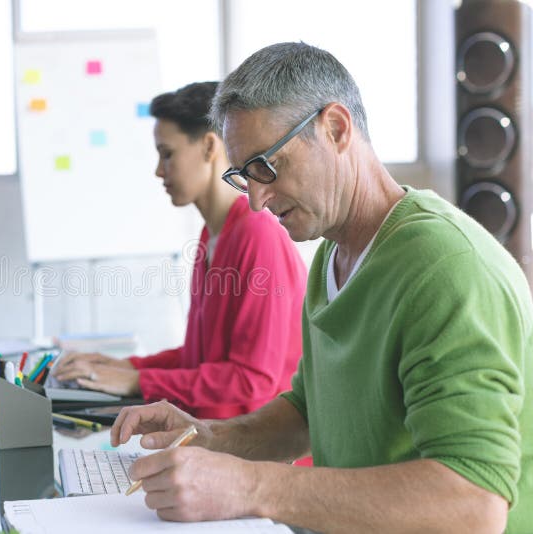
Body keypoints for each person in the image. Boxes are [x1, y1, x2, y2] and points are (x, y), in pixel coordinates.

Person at [109, 43, 533, 533]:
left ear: (335, 128)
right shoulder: (332, 254)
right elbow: (309, 414)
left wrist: (252, 486)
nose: (257, 200)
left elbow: (475, 505)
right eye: (245, 176)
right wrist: (207, 438)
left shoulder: (446, 269)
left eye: (268, 166)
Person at [54, 82, 307, 419]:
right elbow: (198, 360)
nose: (159, 171)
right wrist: (123, 367)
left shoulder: (257, 235)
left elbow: (250, 380)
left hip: (258, 453)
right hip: (216, 440)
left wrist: (137, 380)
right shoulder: (212, 234)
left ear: (208, 147)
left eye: (167, 154)